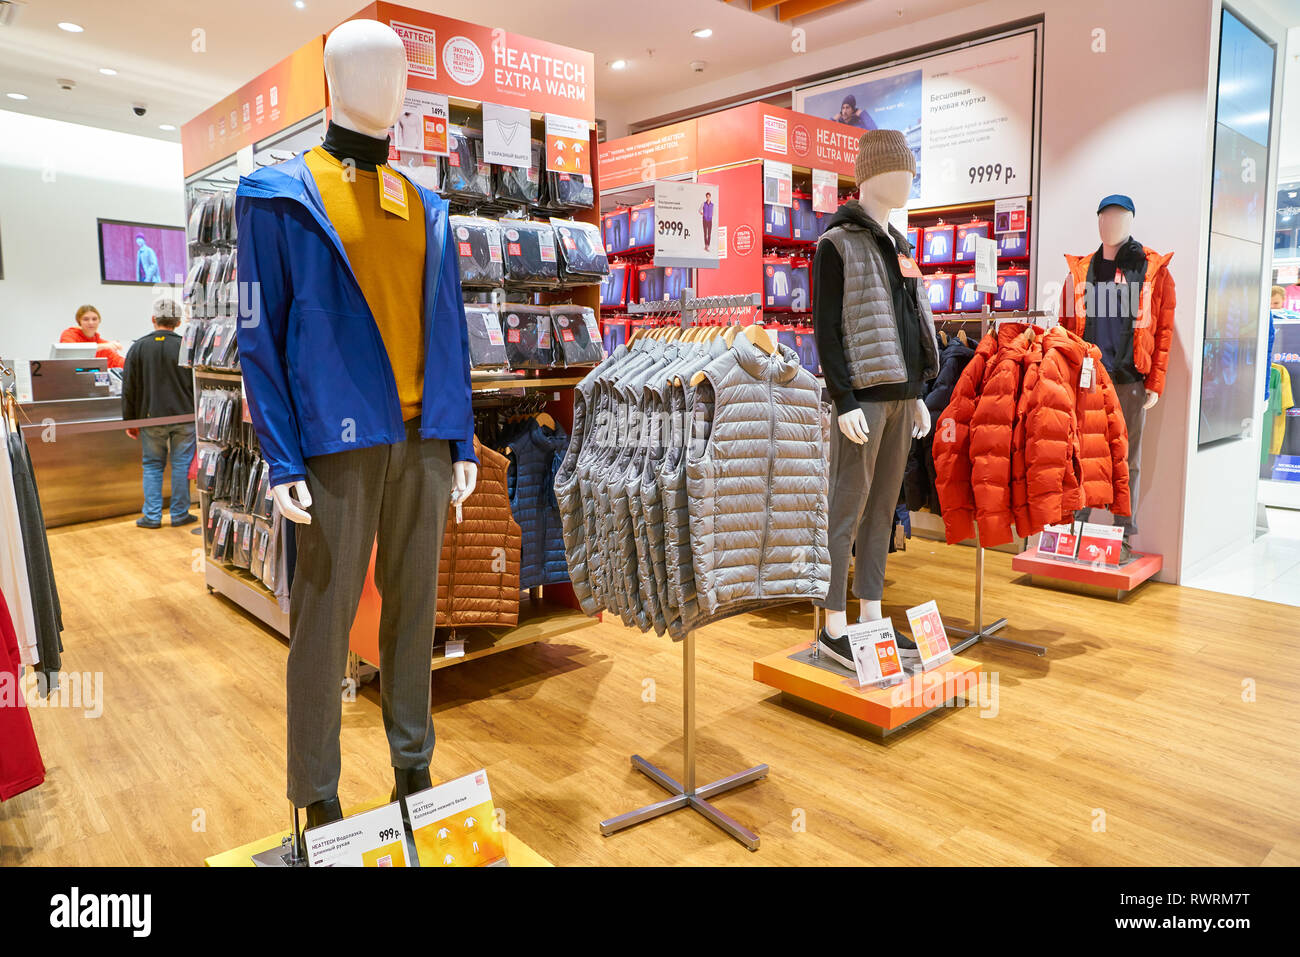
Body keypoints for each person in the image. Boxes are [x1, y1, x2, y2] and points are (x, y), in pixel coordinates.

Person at [122, 298, 196, 529]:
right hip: (185, 417)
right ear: (178, 321)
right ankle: (180, 514)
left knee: (152, 465)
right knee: (181, 464)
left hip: (150, 416)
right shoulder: (187, 345)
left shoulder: (138, 347)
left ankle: (152, 517)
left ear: (153, 319)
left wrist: (130, 420)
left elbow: (129, 387)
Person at [60, 305, 125, 369]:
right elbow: (71, 351)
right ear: (79, 321)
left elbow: (118, 362)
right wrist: (103, 346)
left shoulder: (103, 344)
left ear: (99, 321)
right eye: (86, 319)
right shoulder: (69, 335)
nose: (91, 322)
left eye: (94, 319)